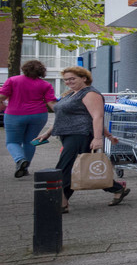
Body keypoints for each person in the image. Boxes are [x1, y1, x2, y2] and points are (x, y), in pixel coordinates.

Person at [35, 66, 130, 211]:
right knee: (78, 167)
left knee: (64, 168)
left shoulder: (90, 94)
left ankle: (62, 202)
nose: (68, 82)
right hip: (67, 135)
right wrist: (47, 133)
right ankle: (116, 188)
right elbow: (62, 117)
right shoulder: (71, 94)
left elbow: (97, 117)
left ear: (84, 78)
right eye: (66, 80)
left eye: (72, 78)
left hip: (80, 135)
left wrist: (99, 138)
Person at [0, 60, 57, 177]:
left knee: (12, 142)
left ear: (24, 68)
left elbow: (2, 96)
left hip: (14, 114)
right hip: (38, 115)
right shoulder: (45, 85)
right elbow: (51, 102)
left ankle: (20, 160)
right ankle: (25, 168)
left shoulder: (13, 80)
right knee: (30, 142)